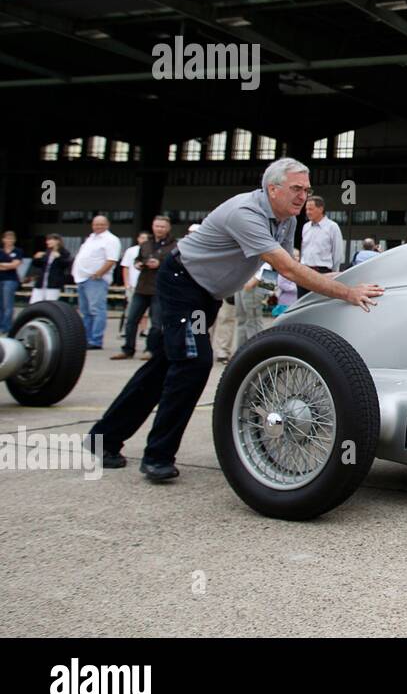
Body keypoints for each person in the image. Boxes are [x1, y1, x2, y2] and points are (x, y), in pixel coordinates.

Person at [86, 158, 384, 482]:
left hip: (205, 296)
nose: (303, 196)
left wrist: (352, 280)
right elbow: (288, 268)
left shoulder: (286, 220)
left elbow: (285, 270)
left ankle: (103, 439)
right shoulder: (247, 213)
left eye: (307, 189)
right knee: (192, 364)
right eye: (296, 188)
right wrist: (347, 293)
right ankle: (157, 456)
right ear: (273, 188)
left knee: (163, 366)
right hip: (183, 286)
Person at [116, 215, 178, 362]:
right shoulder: (145, 244)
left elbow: (177, 264)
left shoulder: (174, 246)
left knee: (156, 323)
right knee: (131, 320)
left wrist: (160, 263)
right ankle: (128, 349)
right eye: (157, 226)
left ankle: (150, 350)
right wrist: (139, 263)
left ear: (168, 228)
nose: (159, 229)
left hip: (160, 289)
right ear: (153, 226)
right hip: (142, 287)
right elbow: (138, 259)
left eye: (162, 226)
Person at [71, 215, 121, 350]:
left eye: (101, 224)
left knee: (97, 310)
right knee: (86, 311)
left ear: (107, 225)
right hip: (82, 278)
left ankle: (95, 340)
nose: (97, 226)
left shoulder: (111, 239)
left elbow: (111, 260)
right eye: (95, 224)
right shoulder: (91, 238)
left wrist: (99, 273)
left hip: (96, 280)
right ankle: (86, 338)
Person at [111, 231, 150, 357]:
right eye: (141, 237)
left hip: (150, 287)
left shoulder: (153, 250)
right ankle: (128, 344)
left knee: (148, 315)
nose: (143, 240)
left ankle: (144, 331)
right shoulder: (131, 251)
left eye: (145, 238)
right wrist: (126, 283)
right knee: (131, 315)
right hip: (134, 286)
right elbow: (125, 267)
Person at [299, 195, 345, 297]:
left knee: (318, 304)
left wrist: (334, 275)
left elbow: (337, 252)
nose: (307, 212)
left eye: (311, 209)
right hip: (304, 271)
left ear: (321, 209)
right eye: (306, 209)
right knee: (300, 304)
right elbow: (303, 250)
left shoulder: (332, 227)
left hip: (323, 273)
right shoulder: (305, 227)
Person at [25, 234, 73, 303]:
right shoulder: (47, 252)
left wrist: (59, 257)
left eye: (50, 240)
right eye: (47, 240)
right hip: (41, 283)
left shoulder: (64, 252)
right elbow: (38, 265)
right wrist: (35, 258)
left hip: (53, 284)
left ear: (57, 241)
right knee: (34, 303)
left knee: (50, 304)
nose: (47, 242)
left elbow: (66, 265)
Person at [0, 231, 24, 335]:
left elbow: (15, 265)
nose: (9, 240)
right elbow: (11, 264)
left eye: (11, 239)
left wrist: (2, 265)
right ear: (3, 240)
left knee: (7, 305)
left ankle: (7, 327)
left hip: (11, 280)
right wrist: (9, 265)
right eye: (7, 238)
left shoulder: (18, 251)